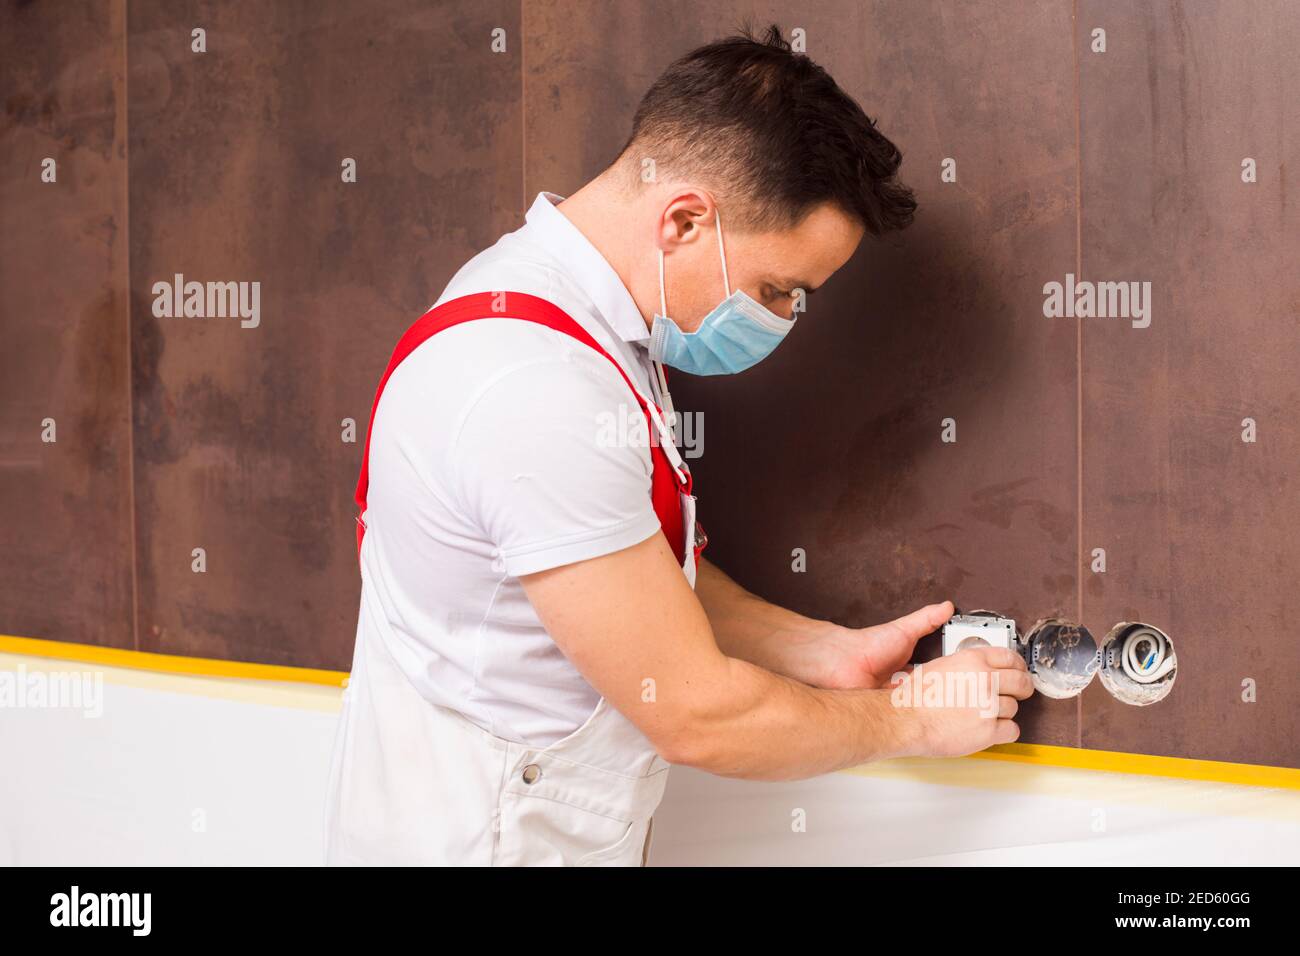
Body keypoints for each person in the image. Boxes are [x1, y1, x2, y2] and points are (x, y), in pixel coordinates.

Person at [325, 25, 1032, 866]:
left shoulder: (578, 326)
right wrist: (913, 720)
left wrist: (826, 654)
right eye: (778, 289)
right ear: (685, 220)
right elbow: (696, 713)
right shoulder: (532, 386)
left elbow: (636, 578)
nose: (782, 321)